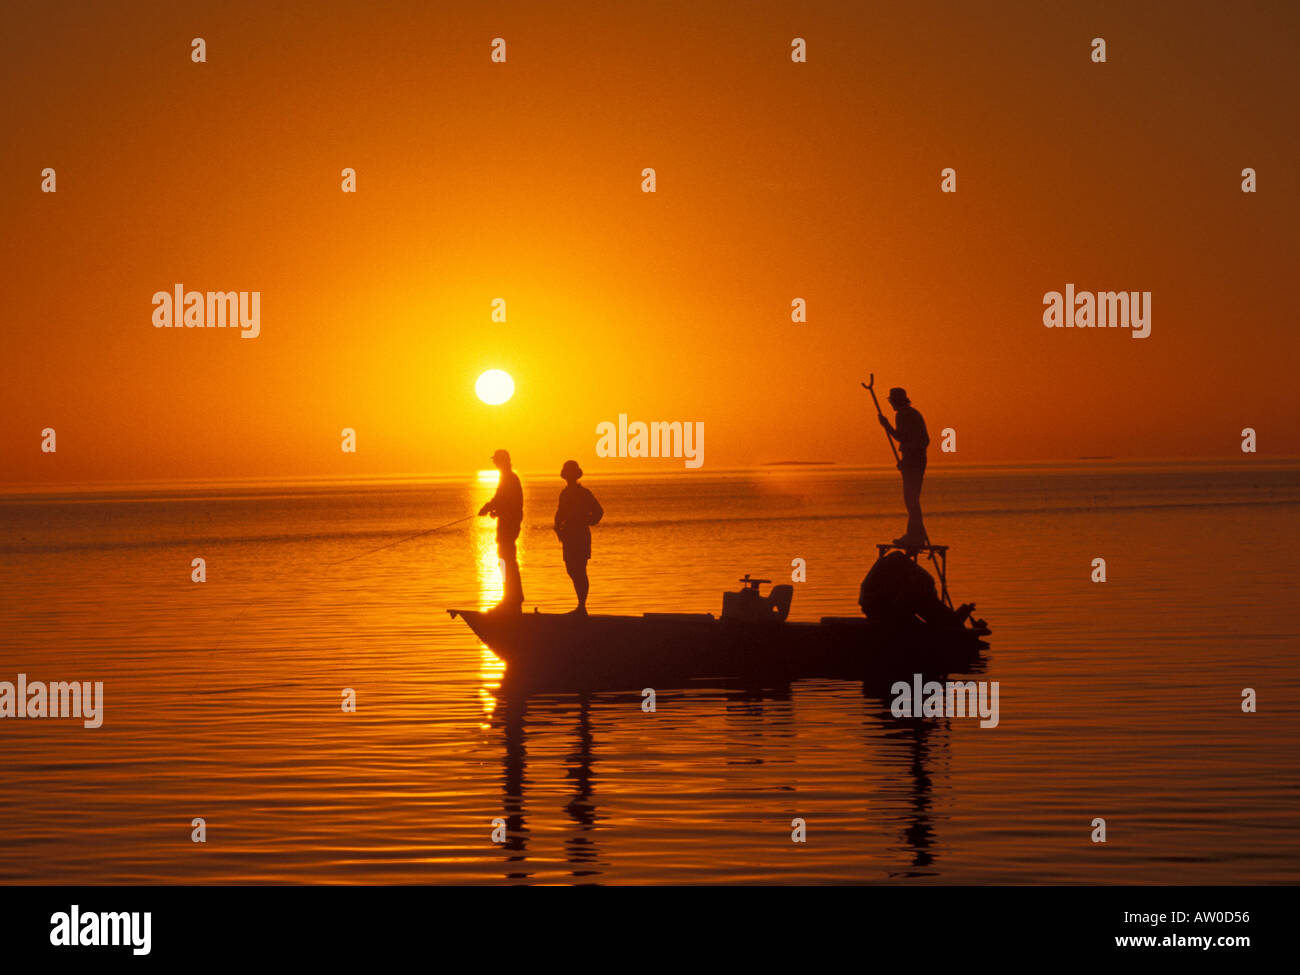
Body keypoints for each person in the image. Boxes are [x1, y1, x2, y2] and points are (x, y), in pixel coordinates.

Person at [878, 386, 930, 548]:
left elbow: (902, 437)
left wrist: (886, 425)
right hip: (916, 458)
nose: (891, 404)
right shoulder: (914, 413)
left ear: (895, 401)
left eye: (892, 401)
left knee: (911, 499)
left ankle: (915, 535)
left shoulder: (903, 415)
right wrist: (905, 459)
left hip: (913, 459)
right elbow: (920, 440)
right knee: (912, 498)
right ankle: (916, 534)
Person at [553, 460, 603, 615]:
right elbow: (559, 515)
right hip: (569, 536)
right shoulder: (565, 493)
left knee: (579, 570)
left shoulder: (584, 493)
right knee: (572, 570)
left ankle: (582, 606)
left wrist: (586, 521)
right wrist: (559, 529)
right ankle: (581, 605)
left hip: (580, 535)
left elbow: (598, 512)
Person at [478, 449, 524, 611]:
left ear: (502, 461)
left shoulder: (509, 478)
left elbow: (503, 500)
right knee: (506, 560)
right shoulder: (507, 478)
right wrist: (495, 510)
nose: (494, 463)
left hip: (509, 526)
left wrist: (488, 507)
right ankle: (511, 597)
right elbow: (505, 502)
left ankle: (512, 597)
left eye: (496, 460)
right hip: (507, 524)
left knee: (507, 561)